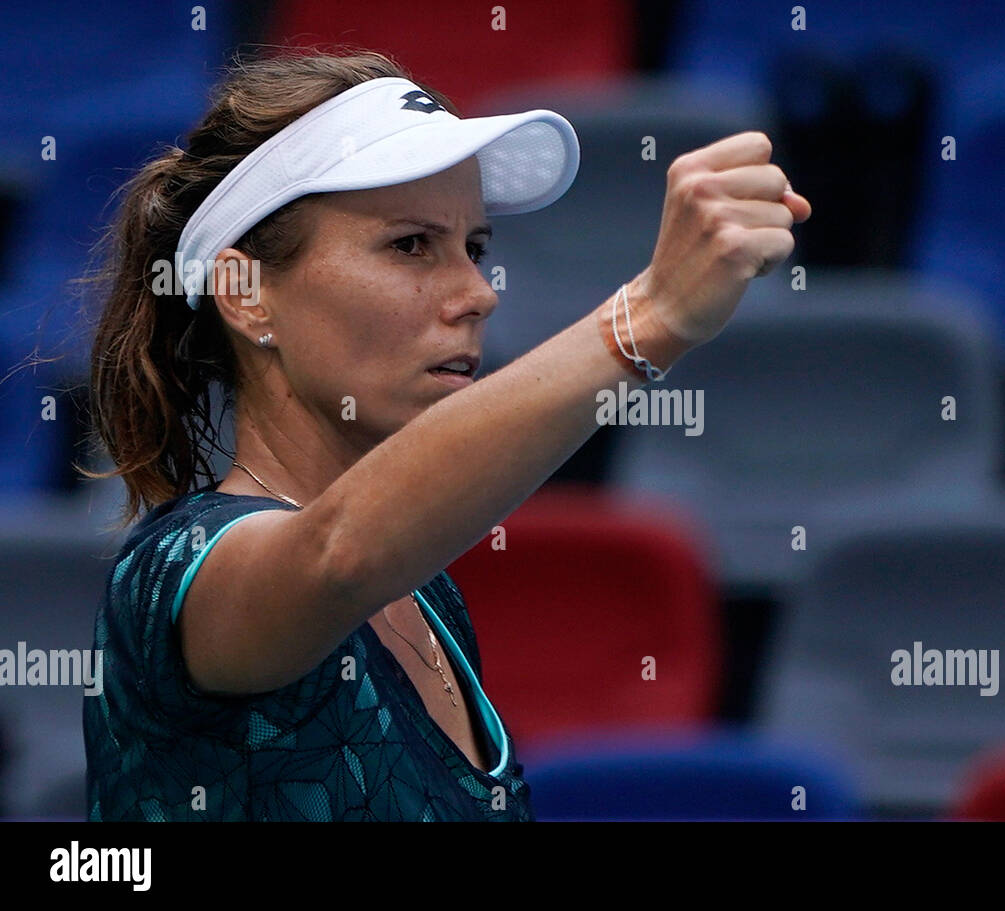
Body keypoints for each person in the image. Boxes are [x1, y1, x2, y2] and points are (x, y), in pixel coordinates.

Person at [80, 48, 811, 821]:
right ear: (248, 294)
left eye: (476, 248)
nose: (476, 294)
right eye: (410, 245)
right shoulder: (174, 570)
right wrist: (650, 317)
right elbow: (337, 554)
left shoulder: (429, 598)